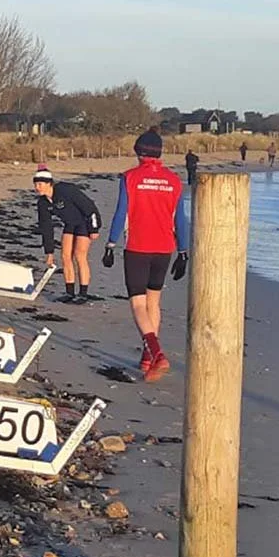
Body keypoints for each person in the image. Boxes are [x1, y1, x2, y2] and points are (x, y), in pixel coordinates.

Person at [101, 129, 191, 382]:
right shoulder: (174, 180)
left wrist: (110, 244)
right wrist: (183, 252)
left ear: (139, 153)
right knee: (154, 302)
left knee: (138, 304)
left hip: (138, 248)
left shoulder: (130, 177)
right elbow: (180, 220)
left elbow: (121, 214)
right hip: (165, 249)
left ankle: (158, 353)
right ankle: (147, 358)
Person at [34, 165, 102, 303]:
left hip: (85, 223)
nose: (37, 187)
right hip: (70, 224)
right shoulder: (42, 203)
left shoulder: (65, 190)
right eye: (35, 184)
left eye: (40, 184)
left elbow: (90, 207)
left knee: (79, 255)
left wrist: (94, 228)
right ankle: (69, 292)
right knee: (65, 256)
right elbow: (46, 227)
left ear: (49, 184)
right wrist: (49, 252)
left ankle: (83, 293)